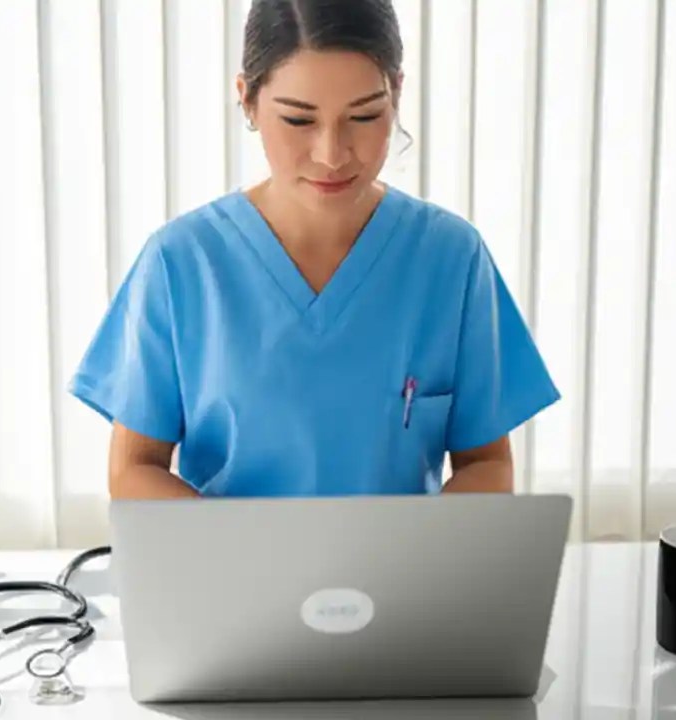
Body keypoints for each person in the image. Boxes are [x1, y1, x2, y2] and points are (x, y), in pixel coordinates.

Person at [69, 0, 558, 500]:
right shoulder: (181, 263)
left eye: (365, 116)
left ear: (397, 93)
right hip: (233, 573)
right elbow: (133, 469)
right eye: (299, 121)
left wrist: (422, 564)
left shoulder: (451, 259)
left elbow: (487, 463)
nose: (332, 154)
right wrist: (231, 553)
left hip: (400, 577)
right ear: (248, 101)